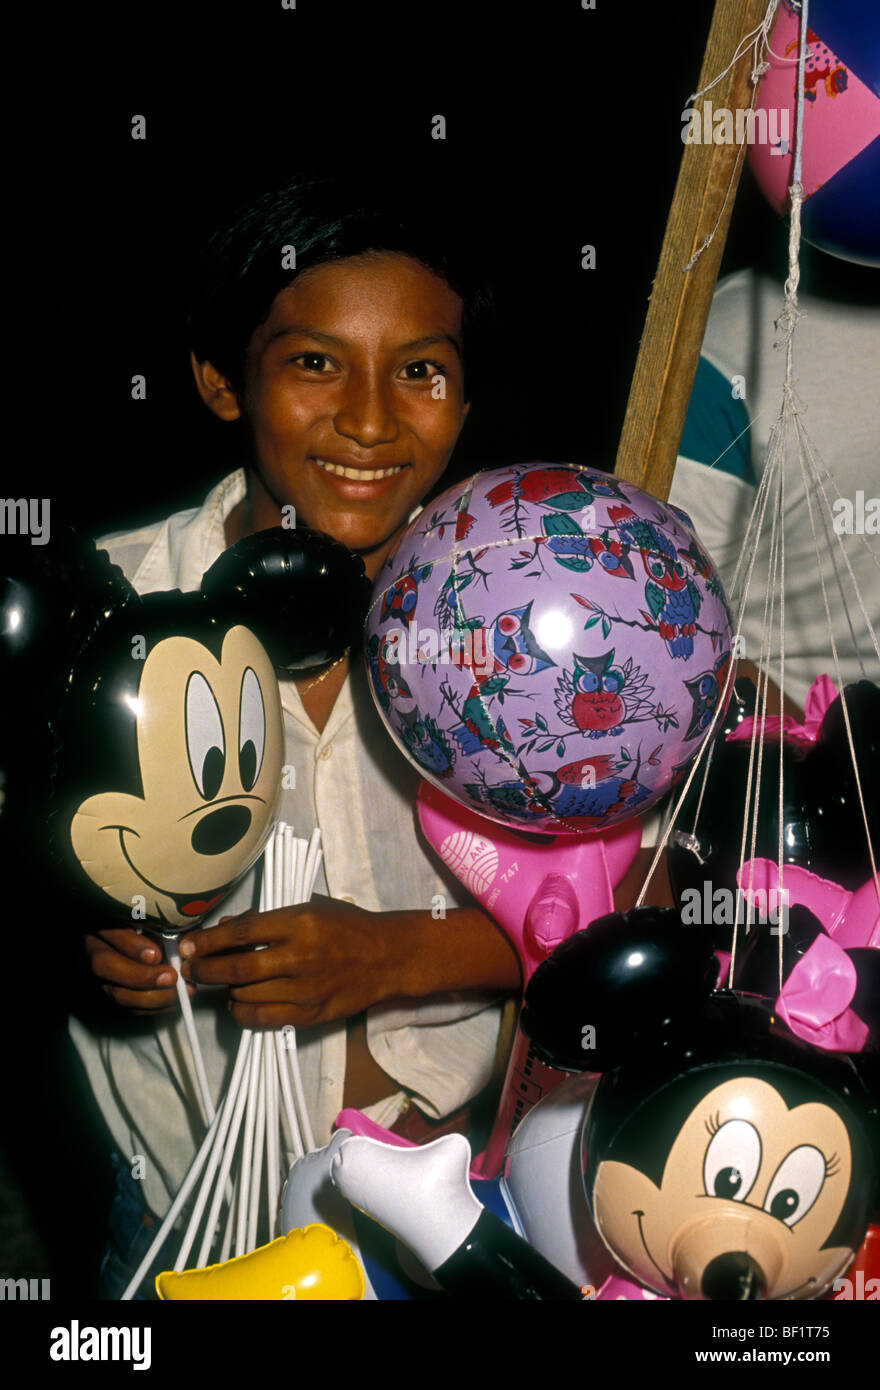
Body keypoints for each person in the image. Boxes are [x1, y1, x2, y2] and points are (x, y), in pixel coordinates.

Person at [68, 175, 523, 1296]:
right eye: (314, 362)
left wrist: (394, 956)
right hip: (185, 1218)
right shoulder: (103, 607)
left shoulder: (534, 616)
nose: (371, 419)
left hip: (459, 1208)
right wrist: (77, 937)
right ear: (224, 380)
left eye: (421, 370)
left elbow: (640, 910)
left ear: (464, 400)